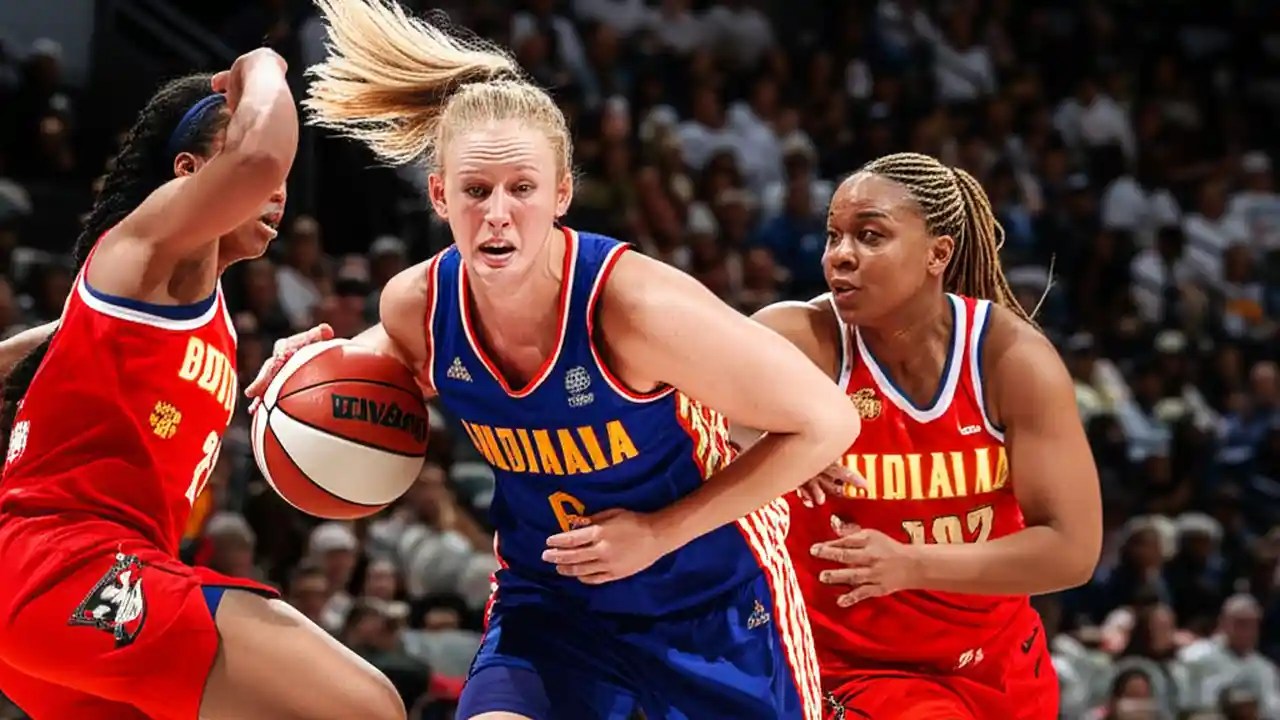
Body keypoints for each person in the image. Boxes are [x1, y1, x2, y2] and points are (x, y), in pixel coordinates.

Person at [249, 1, 861, 718]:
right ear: (440, 196)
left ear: (562, 195)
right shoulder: (417, 307)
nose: (498, 213)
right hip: (553, 608)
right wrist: (302, 371)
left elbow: (827, 422)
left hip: (711, 599)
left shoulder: (633, 307)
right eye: (475, 192)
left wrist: (660, 531)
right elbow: (369, 375)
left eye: (523, 189)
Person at [0, 50, 406, 720]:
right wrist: (269, 64)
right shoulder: (156, 249)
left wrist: (298, 374)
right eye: (236, 149)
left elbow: (26, 356)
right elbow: (259, 162)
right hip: (68, 569)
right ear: (186, 175)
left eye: (284, 183)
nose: (277, 190)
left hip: (66, 602)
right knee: (366, 708)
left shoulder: (170, 308)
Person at [738, 152, 1102, 719]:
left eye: (870, 236)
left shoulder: (1011, 360)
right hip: (853, 668)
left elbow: (1072, 551)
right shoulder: (799, 338)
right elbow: (687, 414)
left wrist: (911, 564)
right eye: (833, 236)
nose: (841, 256)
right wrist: (771, 448)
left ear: (938, 253)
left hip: (998, 666)